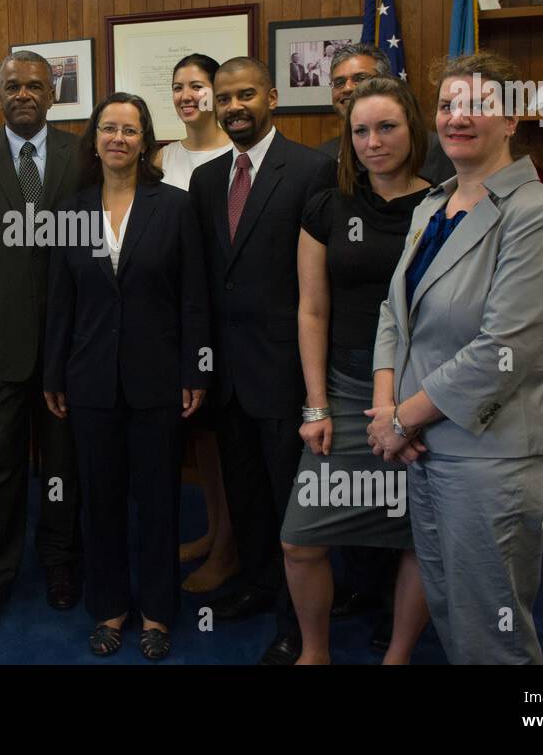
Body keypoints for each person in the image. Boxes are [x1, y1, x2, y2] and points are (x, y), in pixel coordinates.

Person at [369, 51, 543, 664]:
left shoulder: (539, 216)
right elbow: (393, 316)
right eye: (446, 106)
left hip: (493, 458)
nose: (457, 118)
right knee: (452, 615)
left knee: (494, 634)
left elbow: (506, 349)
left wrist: (402, 417)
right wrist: (388, 408)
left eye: (477, 106)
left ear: (512, 119)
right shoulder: (432, 206)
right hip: (427, 448)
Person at [44, 93, 209, 660]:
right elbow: (59, 302)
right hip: (89, 379)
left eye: (130, 130)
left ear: (145, 141)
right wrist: (53, 373)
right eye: (108, 128)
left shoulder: (176, 206)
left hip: (158, 379)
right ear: (94, 139)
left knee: (160, 499)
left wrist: (195, 368)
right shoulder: (69, 212)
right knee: (101, 500)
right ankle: (109, 607)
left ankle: (159, 613)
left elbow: (194, 298)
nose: (118, 138)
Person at [280, 76, 433, 665]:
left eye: (387, 127)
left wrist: (414, 411)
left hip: (423, 401)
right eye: (361, 130)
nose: (374, 141)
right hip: (345, 392)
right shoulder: (327, 206)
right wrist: (316, 405)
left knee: (419, 540)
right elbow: (312, 308)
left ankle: (398, 655)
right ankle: (314, 652)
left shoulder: (445, 205)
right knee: (298, 539)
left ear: (412, 130)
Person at [189, 56, 335, 665]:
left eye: (245, 95)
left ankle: (295, 626)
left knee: (288, 507)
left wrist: (315, 388)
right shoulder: (204, 179)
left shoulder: (311, 169)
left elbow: (320, 289)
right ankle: (255, 586)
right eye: (223, 99)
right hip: (224, 376)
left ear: (271, 96)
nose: (233, 108)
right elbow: (200, 282)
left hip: (283, 373)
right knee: (244, 494)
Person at [0, 50, 84, 632]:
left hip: (68, 347)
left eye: (34, 85)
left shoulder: (85, 154)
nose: (23, 94)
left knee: (62, 465)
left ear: (52, 94)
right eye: (12, 87)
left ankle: (59, 562)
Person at [151, 53, 238, 595]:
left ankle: (231, 548)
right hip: (174, 315)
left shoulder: (239, 153)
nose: (188, 96)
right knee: (203, 437)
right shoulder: (161, 156)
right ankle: (213, 531)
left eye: (198, 86)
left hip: (225, 317)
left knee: (230, 438)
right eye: (179, 86)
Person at [316, 43, 454, 187]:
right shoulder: (323, 155)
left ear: (385, 81)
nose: (347, 88)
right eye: (339, 82)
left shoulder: (439, 148)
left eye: (360, 78)